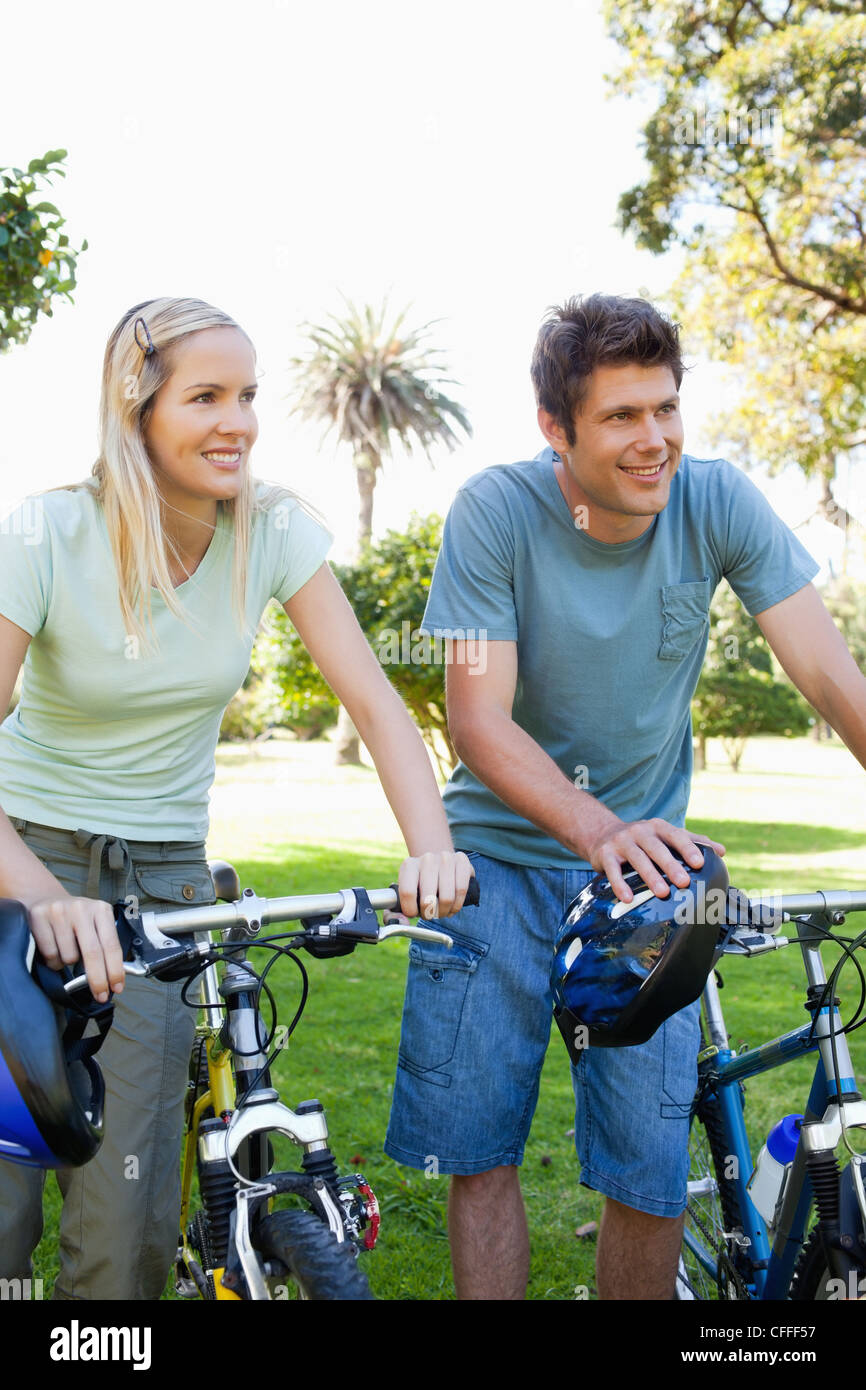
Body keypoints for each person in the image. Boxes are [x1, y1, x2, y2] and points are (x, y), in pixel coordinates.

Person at [385, 292, 866, 1300]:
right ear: (555, 430)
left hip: (646, 877)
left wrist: (622, 844)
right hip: (499, 861)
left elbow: (828, 677)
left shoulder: (715, 499)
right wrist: (596, 828)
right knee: (481, 1156)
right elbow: (477, 718)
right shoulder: (495, 512)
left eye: (665, 407)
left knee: (648, 1174)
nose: (653, 440)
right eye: (619, 417)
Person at [0, 296, 473, 1300]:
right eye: (205, 395)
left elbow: (379, 706)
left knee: (124, 1219)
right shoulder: (45, 533)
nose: (238, 422)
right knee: (5, 1197)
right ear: (136, 407)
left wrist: (429, 846)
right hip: (17, 864)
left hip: (164, 883)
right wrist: (42, 894)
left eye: (248, 396)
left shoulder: (274, 531)